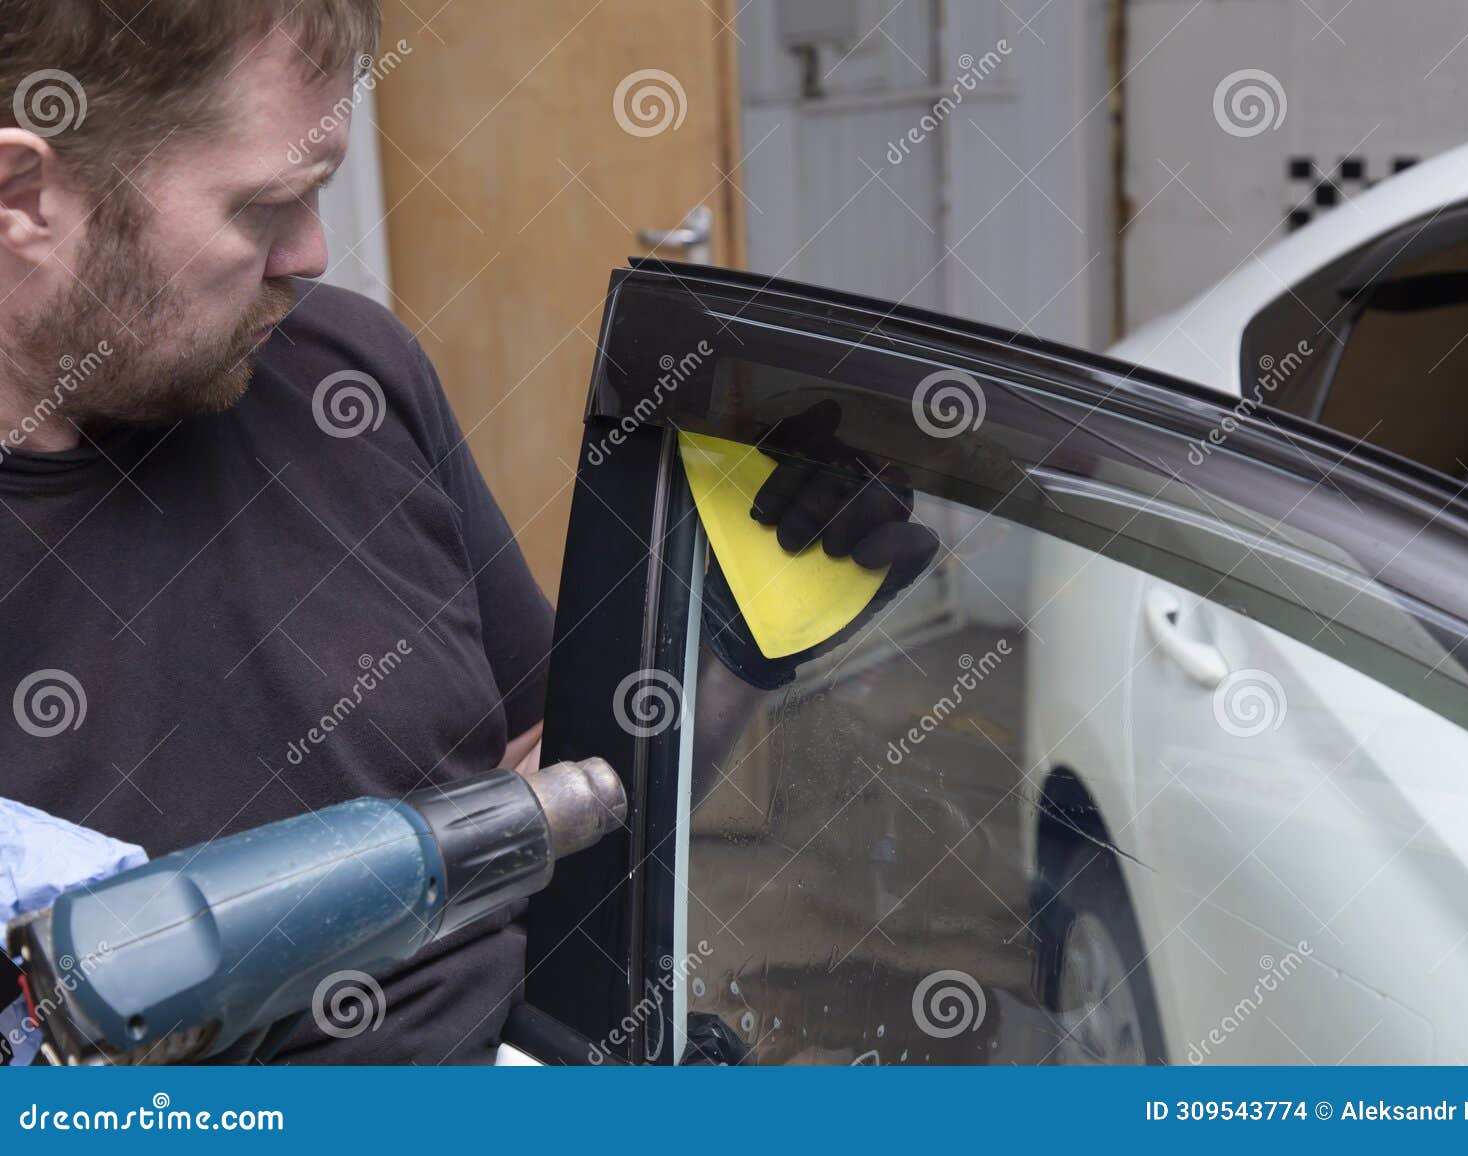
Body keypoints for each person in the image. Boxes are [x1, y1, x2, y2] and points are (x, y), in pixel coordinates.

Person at [0, 0, 936, 1065]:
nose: (309, 252)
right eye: (265, 207)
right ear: (24, 194)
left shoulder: (345, 375)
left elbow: (558, 796)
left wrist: (721, 633)